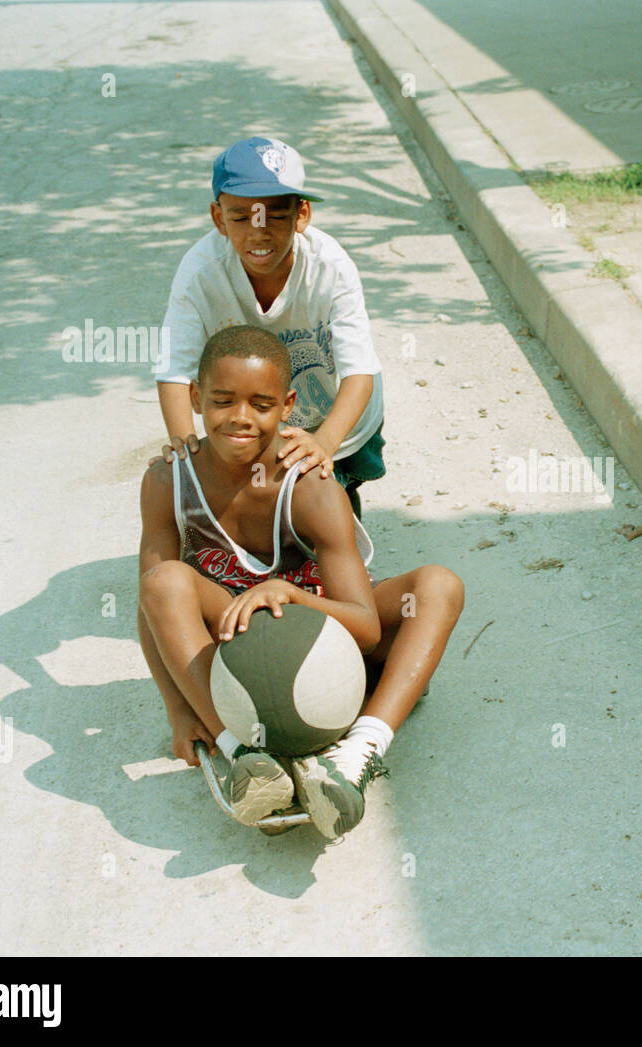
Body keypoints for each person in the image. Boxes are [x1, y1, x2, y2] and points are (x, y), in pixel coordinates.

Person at [137, 326, 463, 841]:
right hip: (236, 657)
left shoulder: (309, 485)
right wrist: (180, 713)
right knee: (164, 581)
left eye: (261, 404)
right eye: (222, 401)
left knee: (438, 585)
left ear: (288, 405)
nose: (240, 417)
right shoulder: (167, 480)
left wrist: (290, 594)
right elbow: (150, 605)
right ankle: (243, 757)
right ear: (196, 398)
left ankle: (356, 754)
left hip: (330, 640)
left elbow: (366, 627)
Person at [155, 136, 385, 517]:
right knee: (259, 509)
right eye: (241, 217)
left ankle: (341, 511)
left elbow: (358, 372)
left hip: (334, 413)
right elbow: (175, 371)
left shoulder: (331, 267)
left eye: (275, 215)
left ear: (302, 215)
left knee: (325, 505)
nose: (258, 232)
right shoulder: (200, 273)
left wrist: (323, 443)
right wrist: (187, 453)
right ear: (218, 219)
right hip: (256, 420)